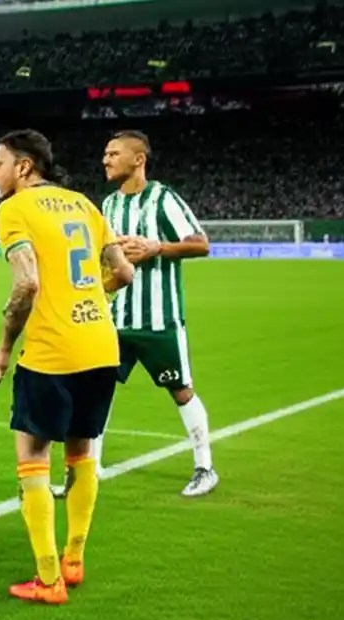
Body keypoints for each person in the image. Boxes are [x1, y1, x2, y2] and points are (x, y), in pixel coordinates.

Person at [0, 129, 135, 605]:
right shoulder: (85, 205)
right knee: (82, 451)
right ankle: (74, 558)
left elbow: (26, 284)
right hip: (100, 344)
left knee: (32, 456)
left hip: (52, 350)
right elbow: (124, 273)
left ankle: (48, 579)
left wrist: (5, 345)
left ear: (24, 167)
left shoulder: (14, 209)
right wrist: (88, 295)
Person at [97, 130, 218, 497]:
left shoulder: (162, 199)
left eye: (113, 153)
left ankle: (205, 467)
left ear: (138, 159)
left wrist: (156, 247)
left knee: (180, 390)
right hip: (115, 320)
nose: (105, 159)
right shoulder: (108, 206)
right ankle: (89, 470)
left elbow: (201, 245)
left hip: (159, 320)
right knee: (96, 390)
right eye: (105, 153)